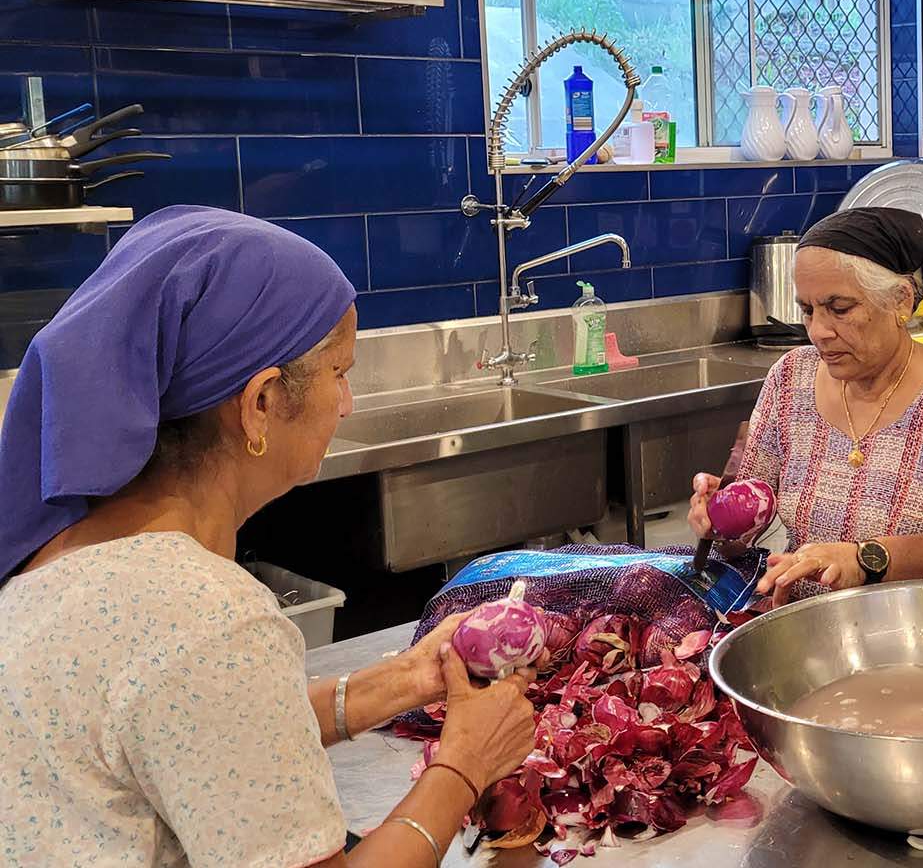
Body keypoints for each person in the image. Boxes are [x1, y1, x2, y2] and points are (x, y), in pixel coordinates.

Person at [0, 207, 535, 868]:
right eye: (340, 373)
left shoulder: (65, 553)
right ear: (259, 404)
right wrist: (463, 765)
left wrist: (404, 679)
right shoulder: (204, 617)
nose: (347, 404)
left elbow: (200, 731)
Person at [689, 207, 923, 605]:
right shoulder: (791, 377)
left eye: (840, 309)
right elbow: (743, 528)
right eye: (808, 311)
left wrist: (866, 559)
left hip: (915, 638)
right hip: (806, 627)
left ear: (901, 301)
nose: (819, 332)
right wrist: (719, 520)